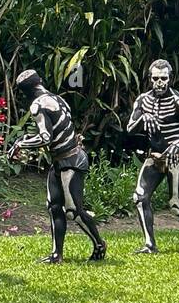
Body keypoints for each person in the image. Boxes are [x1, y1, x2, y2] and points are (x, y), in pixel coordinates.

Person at [8, 69, 106, 263]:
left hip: (71, 161)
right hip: (61, 160)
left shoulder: (37, 105)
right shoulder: (57, 99)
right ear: (40, 82)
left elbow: (45, 137)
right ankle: (56, 254)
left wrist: (20, 144)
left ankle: (99, 244)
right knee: (54, 206)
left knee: (73, 210)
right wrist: (28, 139)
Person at [126, 59, 179, 253]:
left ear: (170, 79)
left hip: (176, 159)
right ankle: (150, 244)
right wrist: (143, 118)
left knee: (176, 205)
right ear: (150, 79)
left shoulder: (178, 101)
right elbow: (129, 129)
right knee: (139, 197)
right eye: (155, 78)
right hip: (154, 157)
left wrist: (178, 143)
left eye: (163, 78)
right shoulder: (142, 100)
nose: (159, 82)